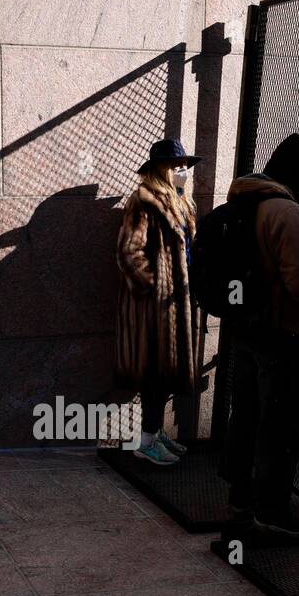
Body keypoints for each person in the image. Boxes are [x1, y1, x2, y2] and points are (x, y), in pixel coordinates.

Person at [220, 133, 299, 536]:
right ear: (296, 176)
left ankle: (241, 497)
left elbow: (265, 259)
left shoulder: (244, 200)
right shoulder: (286, 212)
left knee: (248, 413)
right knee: (280, 422)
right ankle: (272, 511)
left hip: (245, 327)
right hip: (279, 332)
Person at [115, 138, 203, 465]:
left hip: (178, 304)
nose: (183, 172)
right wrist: (156, 290)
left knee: (167, 374)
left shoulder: (181, 202)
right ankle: (146, 441)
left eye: (185, 167)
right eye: (177, 167)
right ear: (160, 170)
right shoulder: (143, 202)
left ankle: (156, 432)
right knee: (155, 374)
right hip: (157, 308)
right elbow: (129, 253)